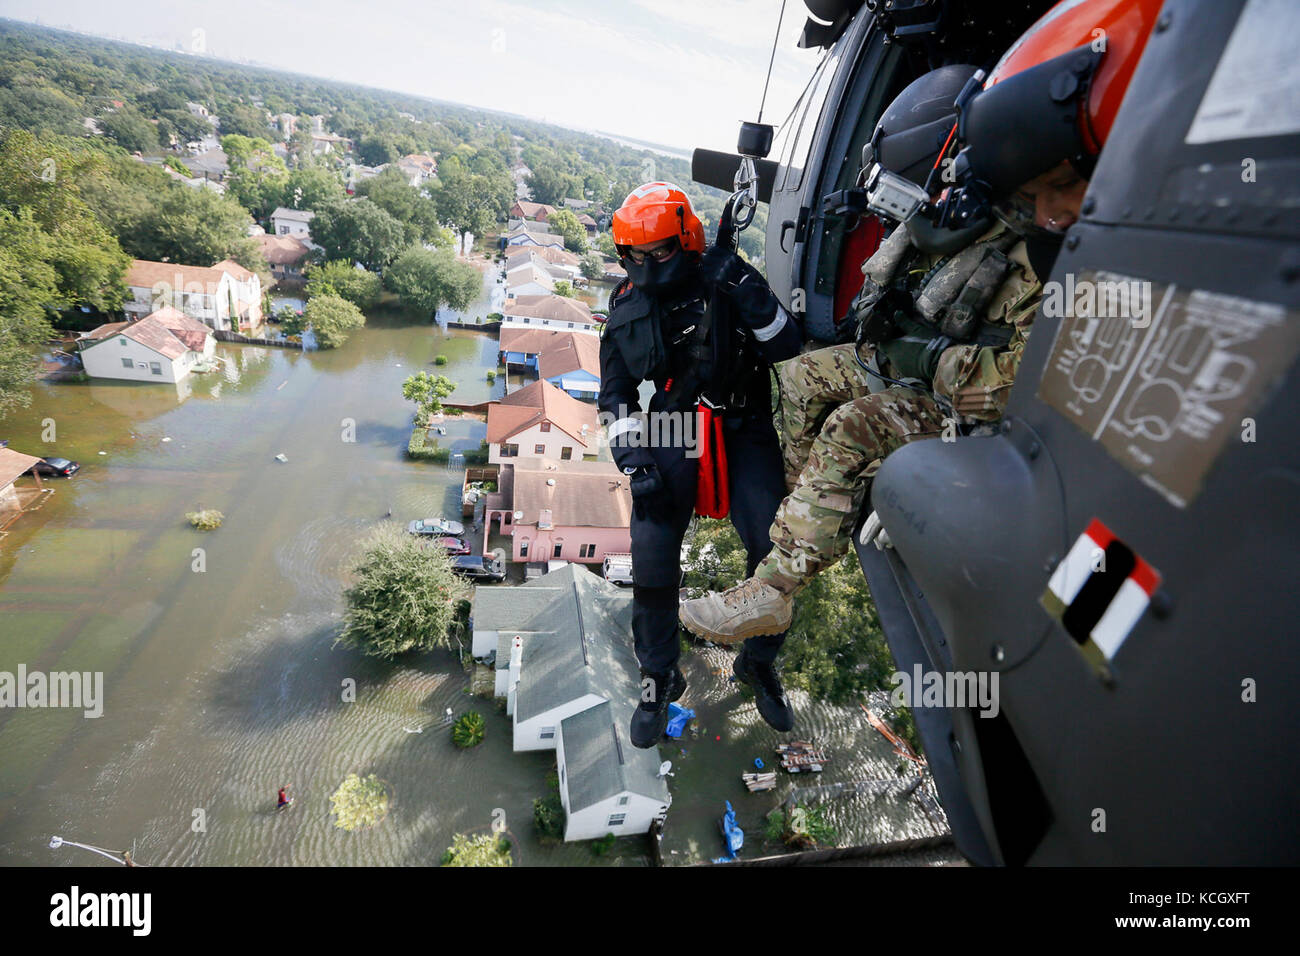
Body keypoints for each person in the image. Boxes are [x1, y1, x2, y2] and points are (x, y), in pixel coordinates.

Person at [678, 2, 1155, 642]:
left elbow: (1022, 387)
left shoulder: (1068, 266)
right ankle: (813, 517)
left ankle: (776, 588)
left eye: (1062, 186)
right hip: (925, 364)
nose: (1046, 208)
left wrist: (923, 360)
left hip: (976, 409)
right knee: (797, 378)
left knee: (851, 426)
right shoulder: (976, 220)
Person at [600, 182, 802, 747]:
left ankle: (758, 659)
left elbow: (787, 347)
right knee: (652, 543)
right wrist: (634, 460)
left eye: (659, 253)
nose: (646, 266)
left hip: (743, 421)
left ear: (686, 239)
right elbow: (615, 393)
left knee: (776, 544)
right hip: (676, 420)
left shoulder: (728, 278)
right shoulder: (627, 306)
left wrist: (741, 282)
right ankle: (659, 675)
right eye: (634, 257)